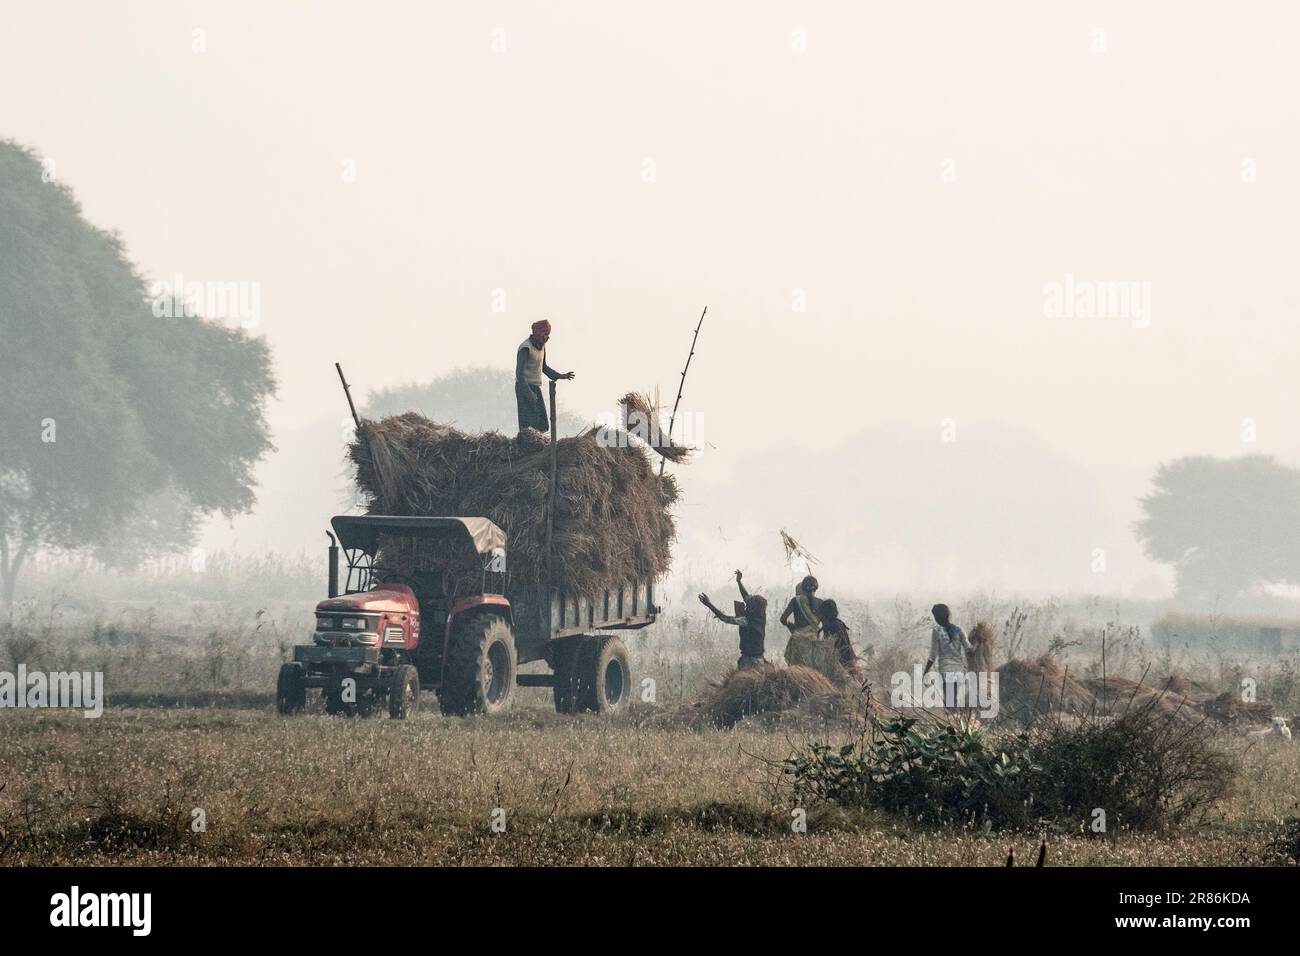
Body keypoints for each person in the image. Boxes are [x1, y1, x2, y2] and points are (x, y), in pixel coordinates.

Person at [698, 570, 768, 670]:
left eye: (748, 605)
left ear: (751, 608)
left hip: (748, 661)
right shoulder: (761, 617)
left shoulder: (745, 621)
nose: (746, 604)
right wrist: (739, 581)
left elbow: (724, 618)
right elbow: (746, 596)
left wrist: (708, 604)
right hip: (760, 659)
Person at [515, 319, 575, 433]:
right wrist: (528, 393)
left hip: (535, 387)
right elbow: (519, 374)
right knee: (528, 425)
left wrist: (561, 376)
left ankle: (540, 447)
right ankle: (528, 446)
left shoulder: (541, 347)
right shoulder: (525, 348)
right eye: (545, 334)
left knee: (542, 423)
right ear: (538, 333)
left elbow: (544, 367)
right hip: (523, 387)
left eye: (548, 335)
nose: (547, 338)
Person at [924, 603, 973, 712]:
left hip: (946, 671)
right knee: (953, 700)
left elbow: (933, 655)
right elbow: (969, 649)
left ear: (937, 617)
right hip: (959, 671)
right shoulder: (958, 630)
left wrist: (926, 672)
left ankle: (954, 724)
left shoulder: (937, 631)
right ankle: (957, 722)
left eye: (935, 616)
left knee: (950, 703)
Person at [817, 599, 861, 682]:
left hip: (841, 660)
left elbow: (831, 644)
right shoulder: (838, 623)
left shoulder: (830, 625)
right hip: (848, 657)